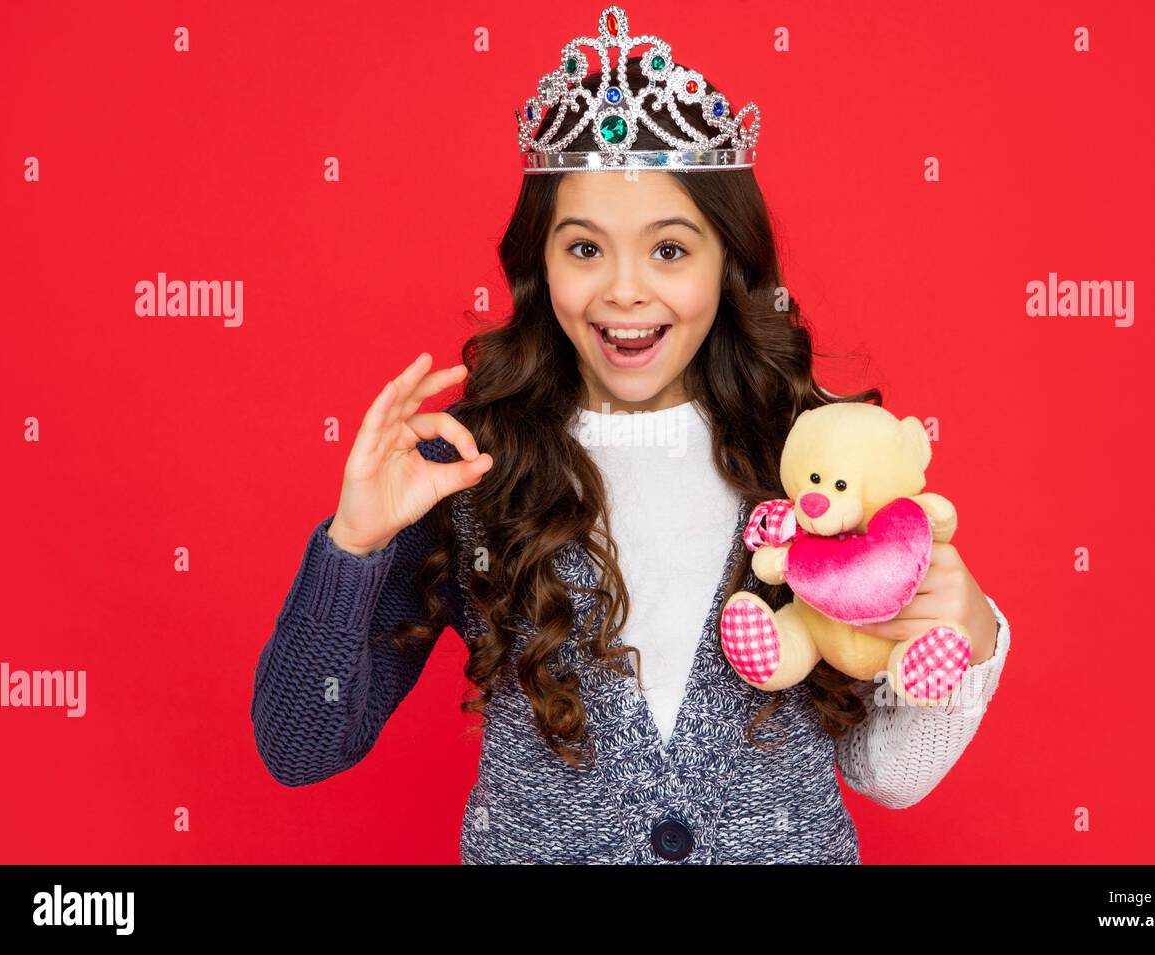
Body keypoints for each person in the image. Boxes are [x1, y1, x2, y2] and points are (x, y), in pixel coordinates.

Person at [250, 5, 1011, 864]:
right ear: (541, 261)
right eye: (584, 249)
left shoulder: (813, 456)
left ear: (730, 262)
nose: (624, 292)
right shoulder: (468, 464)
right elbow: (300, 747)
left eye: (671, 251)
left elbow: (887, 773)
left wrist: (968, 639)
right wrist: (353, 545)